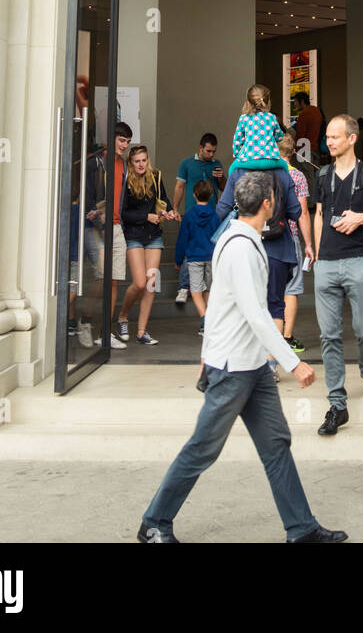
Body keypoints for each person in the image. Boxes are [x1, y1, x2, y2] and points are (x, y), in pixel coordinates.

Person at [138, 172, 347, 544]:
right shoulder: (239, 247)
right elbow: (255, 314)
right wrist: (293, 362)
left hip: (251, 368)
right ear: (268, 204)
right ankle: (154, 522)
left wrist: (208, 354)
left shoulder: (240, 239)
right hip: (234, 370)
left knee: (275, 444)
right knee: (203, 448)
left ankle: (301, 529)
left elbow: (219, 306)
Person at [312, 113, 363, 436]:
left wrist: (360, 218)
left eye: (334, 136)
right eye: (328, 137)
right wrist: (318, 256)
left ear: (352, 139)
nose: (329, 141)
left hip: (360, 261)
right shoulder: (323, 176)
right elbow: (318, 215)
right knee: (328, 336)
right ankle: (337, 404)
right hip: (326, 264)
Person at [216, 133, 301, 369]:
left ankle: (247, 361)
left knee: (246, 304)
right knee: (275, 306)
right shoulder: (283, 171)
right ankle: (271, 364)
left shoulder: (238, 171)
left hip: (246, 247)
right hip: (278, 250)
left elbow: (221, 209)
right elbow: (296, 211)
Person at [116, 145, 176, 346]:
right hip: (133, 235)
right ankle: (123, 316)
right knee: (140, 283)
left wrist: (168, 211)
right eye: (137, 161)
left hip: (154, 236)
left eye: (144, 160)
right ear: (131, 163)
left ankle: (142, 331)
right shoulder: (126, 180)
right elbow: (122, 213)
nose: (141, 164)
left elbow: (164, 200)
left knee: (151, 284)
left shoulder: (156, 177)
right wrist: (145, 216)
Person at [86, 121, 133, 349]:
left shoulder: (123, 165)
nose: (125, 145)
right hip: (97, 226)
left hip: (116, 226)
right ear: (112, 138)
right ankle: (85, 320)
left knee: (114, 280)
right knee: (101, 278)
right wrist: (96, 217)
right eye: (122, 140)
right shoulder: (95, 162)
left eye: (128, 142)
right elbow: (85, 194)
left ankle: (105, 332)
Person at [173, 134, 226, 305]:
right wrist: (175, 208)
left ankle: (204, 289)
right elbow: (179, 186)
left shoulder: (216, 164)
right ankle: (183, 287)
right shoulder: (186, 164)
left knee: (209, 251)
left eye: (214, 151)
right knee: (191, 250)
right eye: (208, 151)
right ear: (200, 147)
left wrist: (220, 177)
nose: (211, 155)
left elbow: (223, 188)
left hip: (211, 215)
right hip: (192, 213)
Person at [277, 133, 314, 356]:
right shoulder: (297, 176)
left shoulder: (267, 172)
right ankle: (286, 337)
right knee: (291, 289)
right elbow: (302, 214)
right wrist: (308, 243)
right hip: (290, 238)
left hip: (268, 238)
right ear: (292, 152)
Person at [175, 179, 217, 331]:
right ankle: (208, 322)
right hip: (211, 257)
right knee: (208, 290)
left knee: (196, 291)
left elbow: (182, 239)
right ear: (211, 195)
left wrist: (178, 260)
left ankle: (205, 321)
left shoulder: (189, 215)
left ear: (194, 195)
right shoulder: (214, 215)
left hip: (194, 258)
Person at [233, 84, 285, 162]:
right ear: (268, 101)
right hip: (270, 160)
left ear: (248, 102)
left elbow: (237, 141)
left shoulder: (244, 118)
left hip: (249, 159)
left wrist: (236, 155)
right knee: (285, 167)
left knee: (232, 169)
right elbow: (280, 137)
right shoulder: (271, 117)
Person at [292, 91, 323, 164]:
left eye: (296, 102)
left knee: (307, 174)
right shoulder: (317, 111)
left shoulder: (304, 114)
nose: (295, 105)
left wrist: (296, 150)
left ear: (302, 101)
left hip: (305, 150)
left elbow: (300, 135)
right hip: (316, 149)